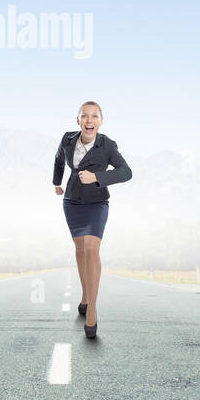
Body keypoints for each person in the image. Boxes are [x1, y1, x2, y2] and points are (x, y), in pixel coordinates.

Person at [52, 100, 132, 339]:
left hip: (97, 202)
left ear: (101, 121)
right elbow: (58, 159)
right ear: (78, 120)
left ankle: (92, 309)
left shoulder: (107, 145)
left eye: (94, 116)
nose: (89, 120)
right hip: (73, 202)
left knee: (91, 248)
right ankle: (85, 296)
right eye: (84, 116)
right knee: (79, 248)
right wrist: (57, 183)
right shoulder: (67, 140)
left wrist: (97, 176)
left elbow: (126, 172)